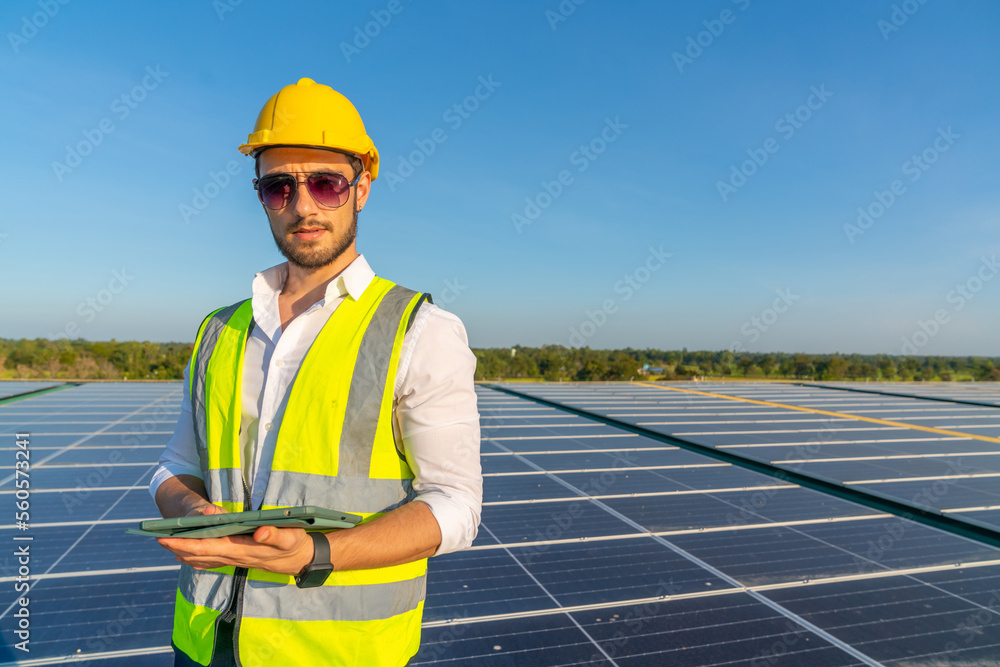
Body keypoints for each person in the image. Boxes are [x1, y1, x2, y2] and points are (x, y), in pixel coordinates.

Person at [149, 77, 482, 667]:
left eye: (325, 184)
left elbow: (455, 506)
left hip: (340, 653)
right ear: (260, 195)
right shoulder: (218, 332)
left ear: (362, 188)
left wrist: (317, 554)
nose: (302, 206)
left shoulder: (420, 331)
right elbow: (174, 469)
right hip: (204, 646)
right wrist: (192, 513)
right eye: (279, 187)